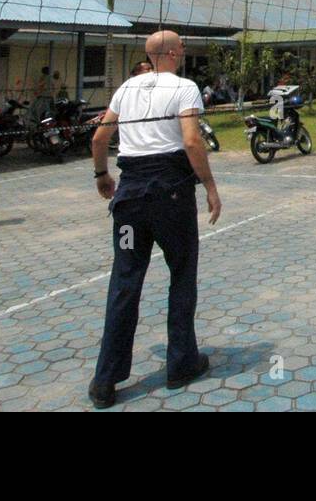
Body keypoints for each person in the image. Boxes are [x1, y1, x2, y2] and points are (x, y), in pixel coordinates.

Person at [88, 30, 222, 409]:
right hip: (170, 197)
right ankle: (180, 363)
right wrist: (210, 186)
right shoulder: (185, 88)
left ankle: (105, 380)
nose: (184, 50)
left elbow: (100, 139)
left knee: (125, 281)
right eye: (182, 45)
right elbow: (193, 142)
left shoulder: (127, 88)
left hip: (129, 199)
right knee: (181, 273)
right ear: (174, 53)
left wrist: (101, 176)